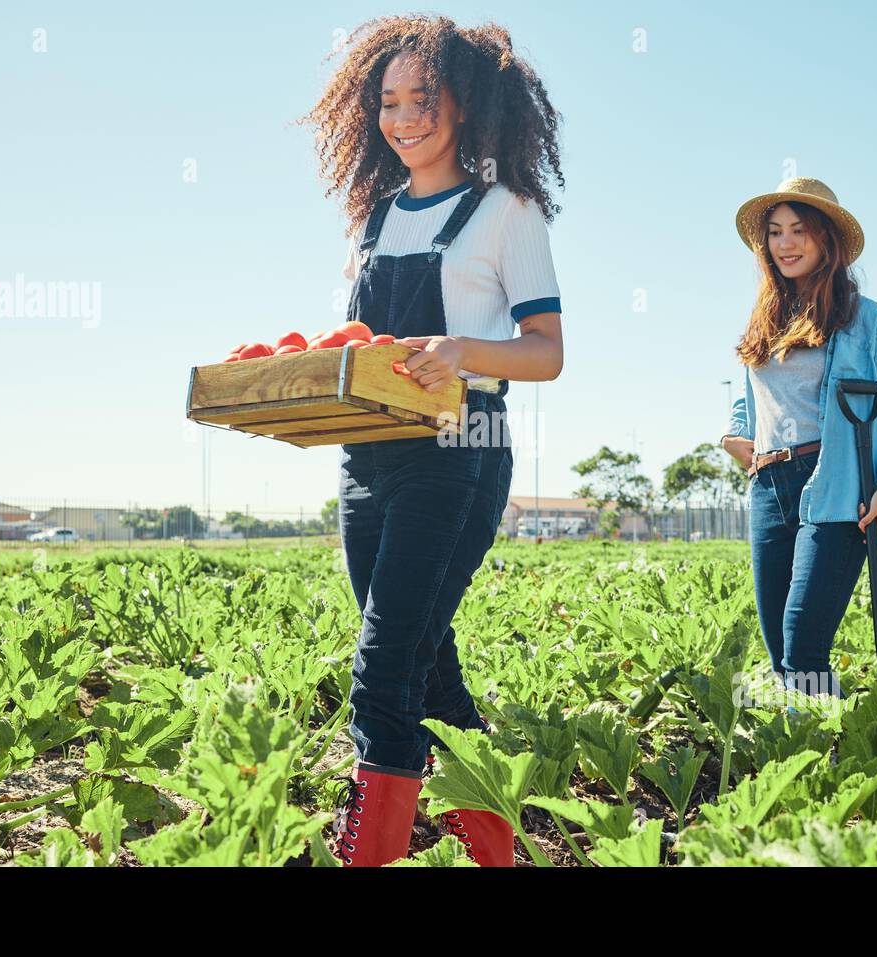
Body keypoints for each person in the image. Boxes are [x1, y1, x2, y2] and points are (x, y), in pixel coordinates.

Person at [300, 15, 565, 866]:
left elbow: (547, 353)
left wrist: (462, 351)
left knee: (383, 667)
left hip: (461, 445)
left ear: (469, 107)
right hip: (368, 455)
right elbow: (364, 347)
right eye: (388, 100)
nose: (404, 116)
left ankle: (365, 855)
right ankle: (497, 851)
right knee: (427, 663)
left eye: (424, 98)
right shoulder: (373, 219)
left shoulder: (505, 211)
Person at [720, 177, 877, 709]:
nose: (785, 243)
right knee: (778, 651)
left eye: (799, 231)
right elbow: (750, 397)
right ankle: (805, 759)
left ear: (826, 240)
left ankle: (831, 764)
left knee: (804, 644)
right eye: (775, 232)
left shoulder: (866, 320)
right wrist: (735, 436)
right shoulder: (766, 318)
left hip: (835, 486)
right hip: (768, 487)